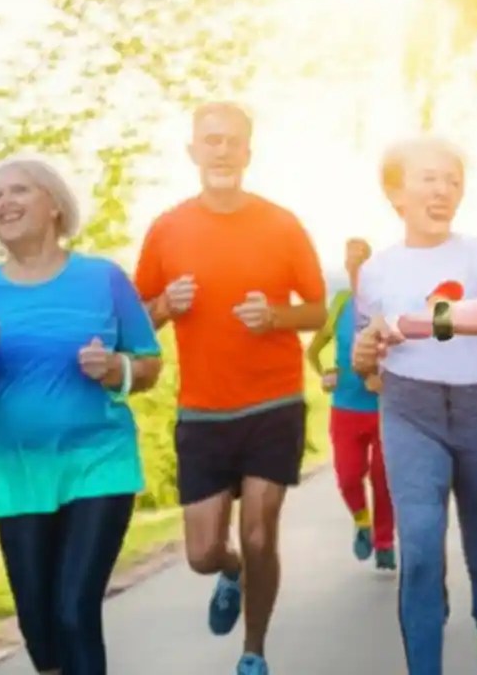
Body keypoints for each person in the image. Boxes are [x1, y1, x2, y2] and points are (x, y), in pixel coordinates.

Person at [0, 154, 163, 675]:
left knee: (74, 611)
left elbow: (149, 364)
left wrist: (116, 369)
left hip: (98, 462)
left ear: (54, 205)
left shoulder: (103, 279)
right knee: (40, 627)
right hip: (17, 475)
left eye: (18, 190)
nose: (3, 202)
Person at [133, 102, 327, 675]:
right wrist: (165, 305)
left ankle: (253, 652)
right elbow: (135, 323)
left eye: (232, 141)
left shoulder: (282, 224)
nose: (221, 150)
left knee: (261, 533)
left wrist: (276, 316)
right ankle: (230, 570)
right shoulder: (167, 229)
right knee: (201, 553)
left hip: (273, 403)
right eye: (211, 140)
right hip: (203, 412)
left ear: (248, 152)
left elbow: (318, 310)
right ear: (193, 150)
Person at [351, 135, 477, 675]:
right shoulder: (375, 272)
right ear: (395, 193)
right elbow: (369, 351)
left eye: (453, 181)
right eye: (428, 179)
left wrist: (429, 321)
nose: (443, 191)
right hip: (411, 411)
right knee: (422, 550)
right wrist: (364, 354)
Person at [306, 237, 396, 570]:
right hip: (345, 406)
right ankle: (362, 522)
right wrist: (325, 373)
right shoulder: (342, 302)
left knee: (383, 478)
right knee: (347, 476)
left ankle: (385, 542)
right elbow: (313, 350)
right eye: (350, 259)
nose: (355, 264)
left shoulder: (387, 303)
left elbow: (404, 349)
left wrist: (385, 377)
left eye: (361, 258)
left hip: (382, 408)